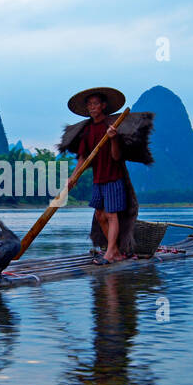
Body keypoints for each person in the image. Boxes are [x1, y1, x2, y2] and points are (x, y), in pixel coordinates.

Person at [70, 88, 128, 263]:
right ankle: (115, 251)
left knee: (111, 215)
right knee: (100, 216)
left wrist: (113, 138)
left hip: (113, 177)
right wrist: (73, 177)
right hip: (98, 179)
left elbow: (117, 156)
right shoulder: (87, 130)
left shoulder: (112, 126)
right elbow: (82, 157)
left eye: (95, 104)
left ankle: (110, 253)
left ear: (103, 106)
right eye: (89, 104)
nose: (92, 107)